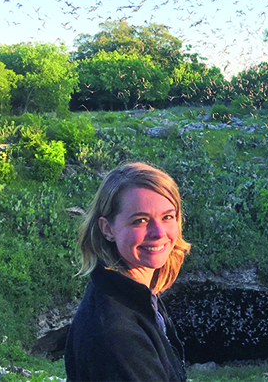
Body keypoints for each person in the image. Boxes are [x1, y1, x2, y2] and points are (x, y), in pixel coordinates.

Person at [65, 162, 192, 382]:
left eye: (168, 217)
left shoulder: (135, 293)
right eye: (140, 221)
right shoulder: (117, 332)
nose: (159, 232)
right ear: (107, 229)